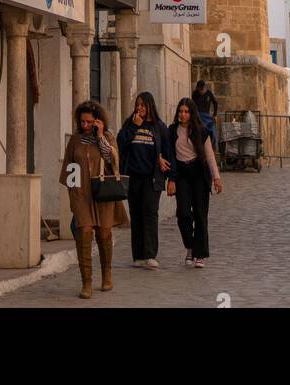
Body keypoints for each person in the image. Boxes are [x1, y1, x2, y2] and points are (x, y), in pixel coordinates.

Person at [60, 100, 128, 298]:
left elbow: (113, 160)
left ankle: (107, 274)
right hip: (82, 195)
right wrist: (72, 196)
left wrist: (100, 137)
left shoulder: (107, 137)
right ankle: (86, 282)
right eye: (82, 122)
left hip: (103, 194)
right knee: (84, 234)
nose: (85, 125)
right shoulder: (75, 141)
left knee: (104, 234)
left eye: (89, 122)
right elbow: (69, 168)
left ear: (98, 121)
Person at [117, 91, 171, 268]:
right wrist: (133, 126)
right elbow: (121, 143)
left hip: (151, 179)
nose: (139, 108)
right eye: (137, 105)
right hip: (133, 177)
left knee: (150, 214)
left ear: (150, 106)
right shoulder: (130, 123)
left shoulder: (159, 127)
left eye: (143, 105)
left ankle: (150, 254)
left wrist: (166, 168)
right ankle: (138, 255)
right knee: (136, 215)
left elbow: (167, 152)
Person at [166, 98, 222, 268]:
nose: (183, 114)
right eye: (180, 111)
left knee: (200, 214)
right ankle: (190, 246)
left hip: (199, 174)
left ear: (191, 113)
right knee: (183, 213)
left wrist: (216, 177)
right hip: (182, 174)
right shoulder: (172, 130)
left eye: (186, 111)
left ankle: (200, 254)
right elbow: (168, 153)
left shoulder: (201, 131)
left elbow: (209, 156)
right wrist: (171, 179)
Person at [192, 79, 219, 145]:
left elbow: (215, 103)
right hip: (198, 115)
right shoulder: (194, 94)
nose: (201, 91)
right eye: (200, 90)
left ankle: (211, 145)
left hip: (206, 116)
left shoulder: (209, 93)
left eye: (202, 89)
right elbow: (192, 105)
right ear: (197, 88)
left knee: (212, 131)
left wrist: (215, 115)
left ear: (205, 88)